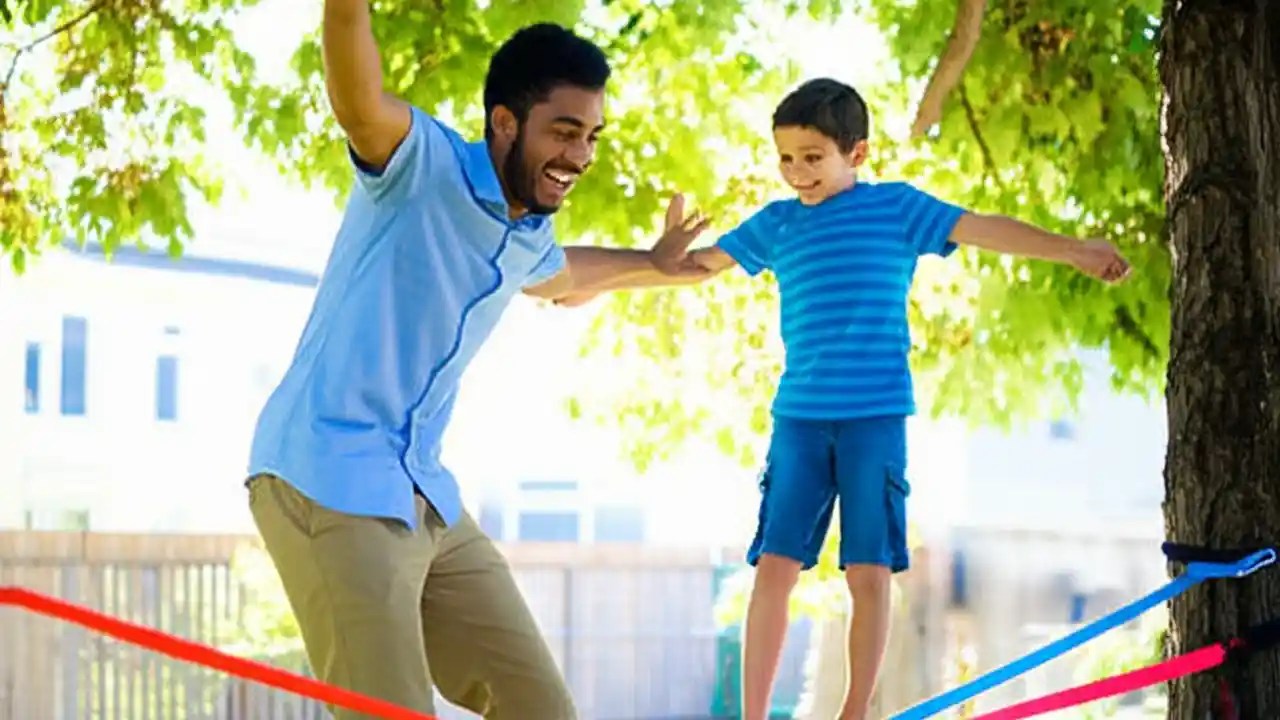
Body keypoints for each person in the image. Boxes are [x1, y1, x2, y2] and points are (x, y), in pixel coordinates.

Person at [575, 77, 1131, 720]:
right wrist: (606, 281)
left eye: (812, 157)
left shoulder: (895, 210)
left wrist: (1074, 251)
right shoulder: (778, 224)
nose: (796, 172)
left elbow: (982, 229)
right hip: (800, 421)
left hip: (874, 420)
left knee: (868, 574)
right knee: (774, 569)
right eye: (785, 157)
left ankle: (854, 711)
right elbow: (695, 267)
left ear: (856, 154)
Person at [243, 6, 710, 720]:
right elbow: (357, 98)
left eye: (590, 136)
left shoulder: (524, 234)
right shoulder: (420, 165)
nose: (581, 155)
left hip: (424, 494)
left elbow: (566, 279)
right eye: (563, 131)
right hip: (327, 479)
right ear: (504, 123)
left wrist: (651, 264)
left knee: (541, 710)